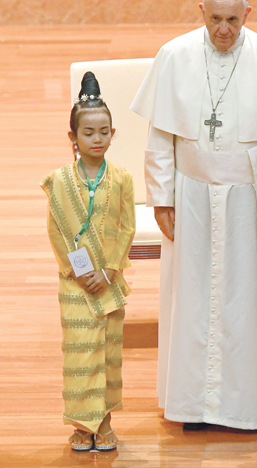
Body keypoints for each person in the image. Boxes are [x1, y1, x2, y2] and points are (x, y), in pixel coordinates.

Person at [130, 0, 257, 430]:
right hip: (191, 196)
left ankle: (249, 403)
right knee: (193, 298)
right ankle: (192, 403)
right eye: (215, 20)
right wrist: (161, 196)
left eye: (233, 20)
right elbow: (160, 136)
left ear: (247, 15)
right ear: (201, 12)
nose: (224, 30)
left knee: (244, 299)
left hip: (252, 200)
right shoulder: (174, 55)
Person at [42, 72, 135, 451]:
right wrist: (83, 274)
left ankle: (106, 421)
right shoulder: (60, 181)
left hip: (109, 282)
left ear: (113, 134)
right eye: (88, 133)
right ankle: (83, 425)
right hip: (76, 284)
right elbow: (56, 232)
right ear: (73, 138)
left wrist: (110, 270)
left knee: (108, 354)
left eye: (104, 132)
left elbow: (127, 227)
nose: (97, 139)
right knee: (81, 352)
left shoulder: (123, 178)